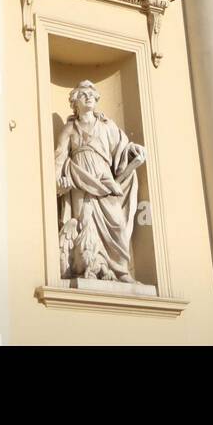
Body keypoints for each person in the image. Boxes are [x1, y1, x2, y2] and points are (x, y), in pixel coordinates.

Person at [54, 81, 145, 283]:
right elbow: (59, 158)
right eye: (83, 94)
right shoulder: (70, 129)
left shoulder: (107, 126)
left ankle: (121, 271)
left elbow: (121, 150)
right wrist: (59, 179)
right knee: (83, 222)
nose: (88, 97)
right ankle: (86, 267)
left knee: (118, 224)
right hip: (80, 178)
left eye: (92, 95)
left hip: (104, 179)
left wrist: (133, 152)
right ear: (75, 102)